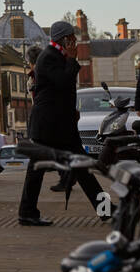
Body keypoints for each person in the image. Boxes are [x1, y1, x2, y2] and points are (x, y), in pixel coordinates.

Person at [18, 22, 106, 227]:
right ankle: (27, 212)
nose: (74, 41)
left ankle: (106, 210)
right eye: (71, 37)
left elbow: (60, 90)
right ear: (63, 38)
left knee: (82, 169)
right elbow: (63, 81)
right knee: (37, 170)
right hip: (50, 125)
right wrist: (74, 60)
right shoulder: (48, 57)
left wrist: (71, 108)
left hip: (60, 124)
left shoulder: (56, 56)